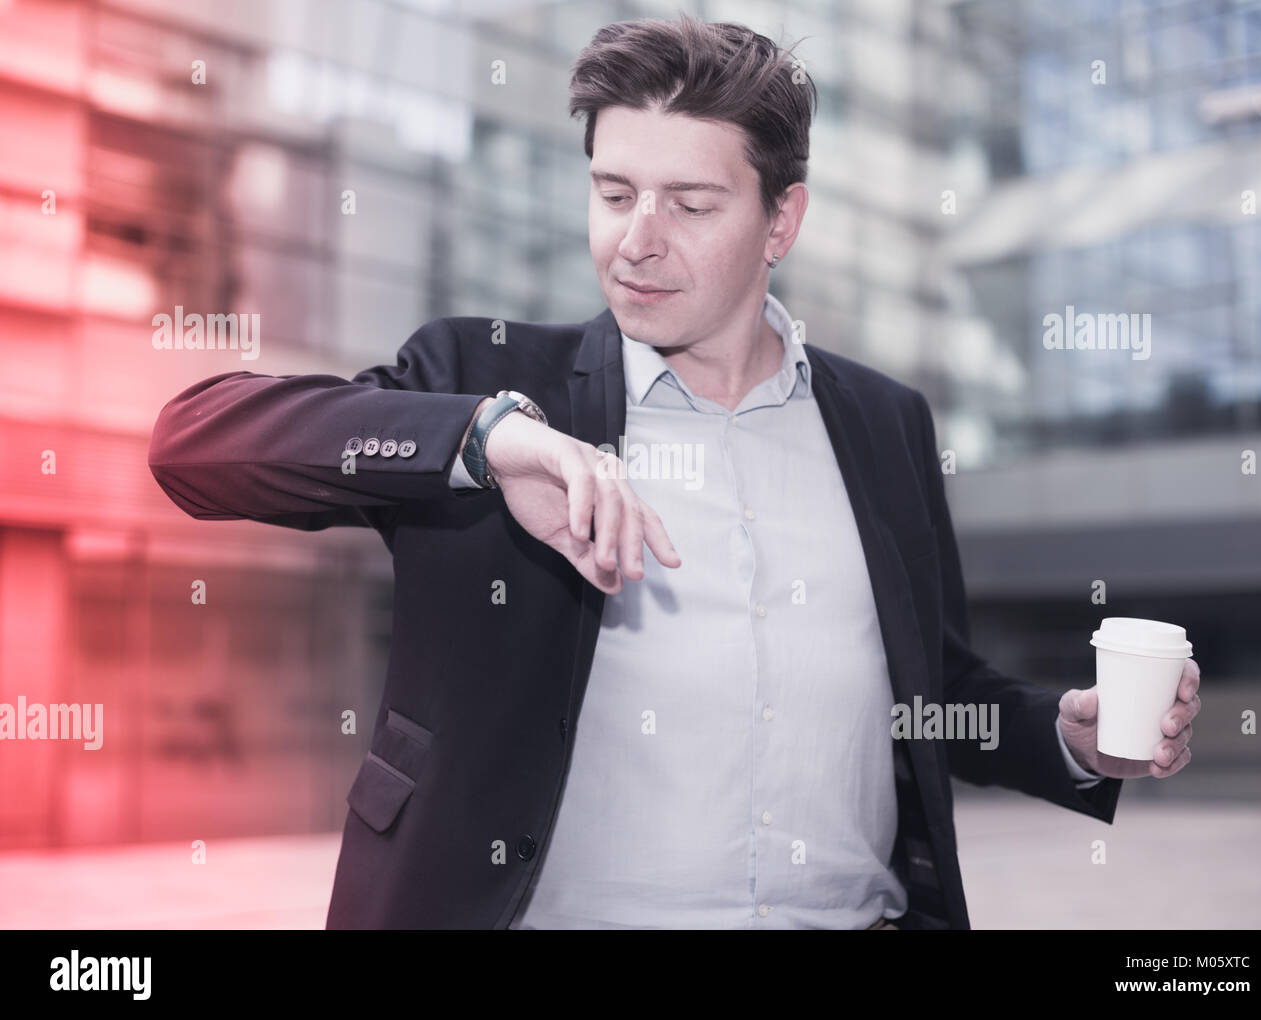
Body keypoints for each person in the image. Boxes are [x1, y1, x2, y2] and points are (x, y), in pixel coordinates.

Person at [148, 13, 1200, 929]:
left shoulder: (884, 421)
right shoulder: (489, 381)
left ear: (780, 219)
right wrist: (483, 440)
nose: (635, 244)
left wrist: (1060, 737)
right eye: (614, 193)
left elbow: (931, 684)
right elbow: (198, 444)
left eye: (691, 206)